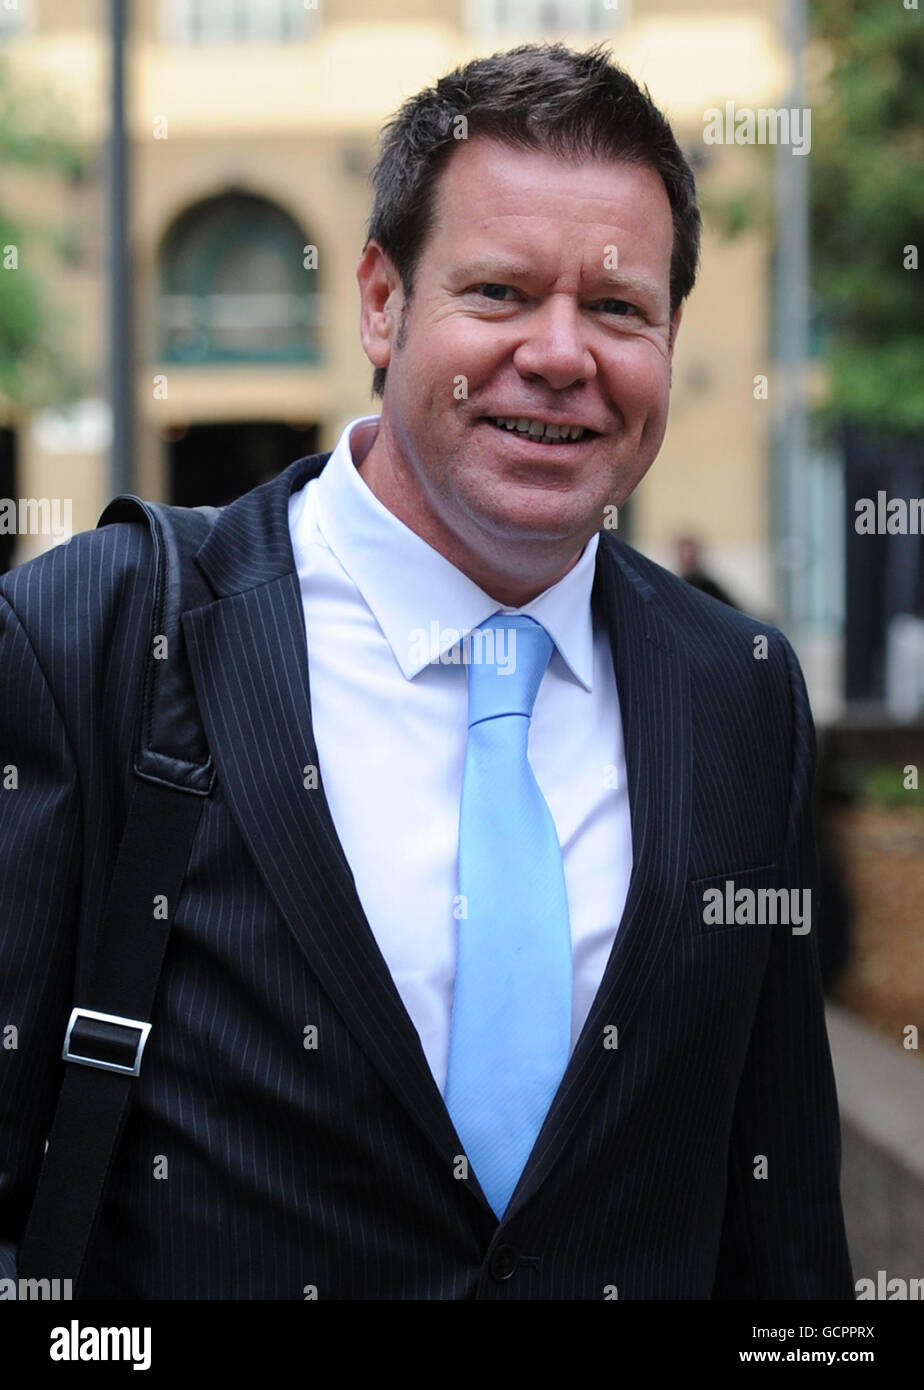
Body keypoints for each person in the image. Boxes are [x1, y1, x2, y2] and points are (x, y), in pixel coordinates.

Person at [0, 41, 854, 1299]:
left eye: (619, 308)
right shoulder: (96, 631)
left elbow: (782, 1223)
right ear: (380, 303)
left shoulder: (739, 688)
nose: (562, 354)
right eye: (501, 292)